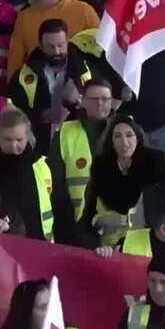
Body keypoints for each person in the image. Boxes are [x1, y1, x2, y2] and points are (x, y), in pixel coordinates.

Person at [0, 108, 77, 244]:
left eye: (19, 140)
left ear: (27, 136)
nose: (13, 145)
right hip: (6, 243)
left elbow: (57, 202)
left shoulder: (40, 163)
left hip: (41, 242)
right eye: (8, 139)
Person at [7, 19, 97, 151]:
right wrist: (44, 116)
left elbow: (101, 111)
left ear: (67, 41)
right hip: (36, 147)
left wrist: (80, 101)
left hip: (77, 147)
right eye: (50, 46)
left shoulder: (86, 72)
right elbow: (11, 116)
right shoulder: (23, 77)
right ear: (40, 45)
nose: (56, 51)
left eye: (60, 45)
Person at [84, 116, 165, 247]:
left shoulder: (154, 161)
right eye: (117, 136)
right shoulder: (101, 166)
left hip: (145, 238)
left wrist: (123, 220)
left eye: (129, 135)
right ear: (111, 141)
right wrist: (97, 221)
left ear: (137, 138)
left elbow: (156, 207)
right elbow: (90, 208)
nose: (124, 142)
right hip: (109, 240)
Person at [6, 0, 100, 79]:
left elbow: (99, 54)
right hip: (36, 88)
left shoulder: (84, 12)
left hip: (77, 86)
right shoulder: (24, 16)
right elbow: (15, 60)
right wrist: (13, 89)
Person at [49, 78, 113, 223]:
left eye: (105, 99)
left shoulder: (125, 130)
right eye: (94, 99)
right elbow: (55, 181)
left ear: (112, 101)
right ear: (83, 101)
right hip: (77, 220)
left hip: (116, 225)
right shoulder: (66, 131)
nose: (100, 103)